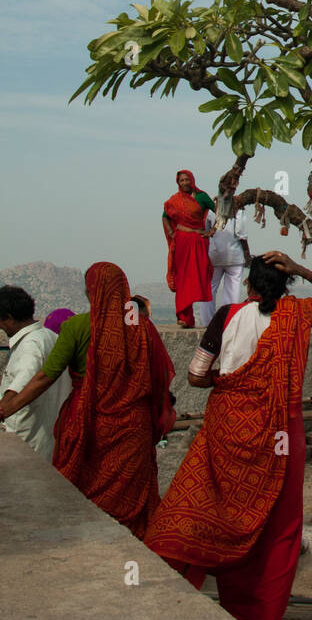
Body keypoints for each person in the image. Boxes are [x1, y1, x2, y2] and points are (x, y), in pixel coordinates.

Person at [145, 252, 312, 620]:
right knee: (277, 528)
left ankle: (172, 592)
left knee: (208, 510)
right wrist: (302, 269)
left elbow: (195, 376)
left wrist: (230, 380)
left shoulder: (227, 316)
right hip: (282, 436)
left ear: (249, 285)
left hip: (227, 428)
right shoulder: (300, 314)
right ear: (285, 283)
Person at [0, 262, 176, 538]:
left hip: (91, 422)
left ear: (89, 290)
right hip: (134, 428)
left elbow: (45, 377)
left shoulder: (77, 327)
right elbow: (160, 378)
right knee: (132, 496)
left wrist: (7, 408)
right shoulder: (143, 329)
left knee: (87, 490)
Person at [0, 287, 72, 462]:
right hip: (48, 440)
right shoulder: (49, 337)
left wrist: (3, 409)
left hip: (25, 444)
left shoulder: (30, 345)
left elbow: (20, 387)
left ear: (8, 318)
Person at [163, 169, 215, 327]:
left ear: (192, 180)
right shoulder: (175, 200)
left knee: (196, 277)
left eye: (187, 180)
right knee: (182, 278)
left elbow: (219, 212)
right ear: (178, 183)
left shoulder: (202, 197)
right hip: (181, 242)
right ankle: (184, 317)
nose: (184, 183)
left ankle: (188, 318)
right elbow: (165, 217)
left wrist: (213, 230)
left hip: (198, 241)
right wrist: (172, 233)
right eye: (181, 181)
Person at [199, 173, 251, 324]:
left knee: (210, 288)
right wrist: (247, 255)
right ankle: (228, 322)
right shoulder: (238, 210)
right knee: (232, 291)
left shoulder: (210, 210)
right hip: (234, 255)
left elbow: (206, 232)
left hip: (214, 255)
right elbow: (242, 234)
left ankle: (207, 322)